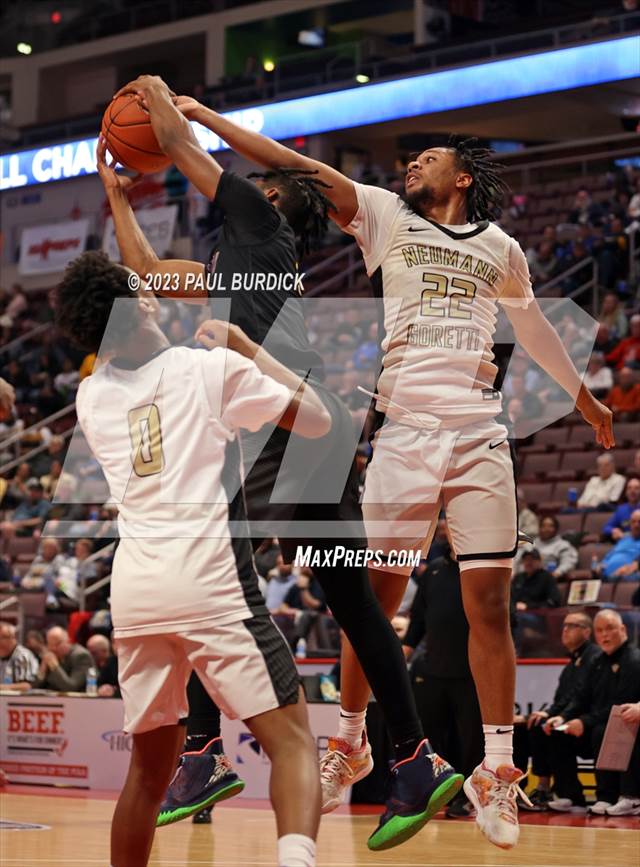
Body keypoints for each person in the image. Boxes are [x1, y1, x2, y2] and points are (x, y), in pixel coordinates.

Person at [167, 88, 615, 850]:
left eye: (427, 157)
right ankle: (351, 739)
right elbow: (295, 164)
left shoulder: (501, 246)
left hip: (479, 424)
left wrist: (583, 398)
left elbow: (534, 329)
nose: (412, 164)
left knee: (489, 603)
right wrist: (207, 122)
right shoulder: (384, 213)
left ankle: (496, 773)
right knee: (369, 600)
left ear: (463, 175)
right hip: (403, 427)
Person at [103, 75, 460, 851]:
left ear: (270, 199)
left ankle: (203, 753)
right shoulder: (241, 267)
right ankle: (413, 759)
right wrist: (119, 201)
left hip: (291, 424)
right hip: (296, 431)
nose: (243, 185)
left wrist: (163, 97)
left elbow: (175, 145)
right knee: (349, 602)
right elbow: (148, 277)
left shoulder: (261, 222)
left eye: (258, 181)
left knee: (210, 567)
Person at [55, 251, 330, 867]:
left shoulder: (89, 396)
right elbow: (316, 420)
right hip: (208, 579)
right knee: (291, 743)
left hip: (135, 593)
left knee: (149, 776)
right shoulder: (212, 368)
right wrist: (247, 347)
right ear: (145, 302)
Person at [402, 542, 482, 820]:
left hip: (471, 671)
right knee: (433, 737)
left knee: (471, 738)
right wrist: (406, 651)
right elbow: (418, 620)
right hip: (433, 668)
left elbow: (505, 622)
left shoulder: (482, 567)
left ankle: (466, 797)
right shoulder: (433, 571)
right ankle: (435, 792)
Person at [545, 610, 640, 814]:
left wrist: (584, 722)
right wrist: (563, 717)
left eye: (610, 629)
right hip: (596, 725)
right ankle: (571, 796)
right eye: (600, 631)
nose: (605, 635)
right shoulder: (598, 661)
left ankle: (616, 796)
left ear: (622, 629)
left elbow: (620, 703)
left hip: (621, 726)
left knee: (603, 729)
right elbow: (581, 695)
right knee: (557, 732)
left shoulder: (633, 660)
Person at [515, 611, 600, 811]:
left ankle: (559, 792)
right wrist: (541, 714)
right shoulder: (571, 664)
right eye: (563, 626)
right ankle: (517, 789)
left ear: (587, 632)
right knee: (524, 728)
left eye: (572, 626)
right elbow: (561, 700)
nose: (565, 630)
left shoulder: (594, 657)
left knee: (546, 730)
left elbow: (580, 697)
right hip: (570, 719)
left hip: (588, 723)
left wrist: (558, 716)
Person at [513, 516, 578, 580]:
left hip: (546, 580)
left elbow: (568, 563)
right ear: (539, 528)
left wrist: (557, 573)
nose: (546, 529)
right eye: (543, 526)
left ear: (556, 529)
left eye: (550, 526)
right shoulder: (530, 544)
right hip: (524, 580)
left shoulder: (563, 545)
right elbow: (517, 561)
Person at [33, 626, 93, 692]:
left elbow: (70, 688)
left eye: (57, 644)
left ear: (68, 641)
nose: (54, 648)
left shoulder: (81, 656)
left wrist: (55, 667)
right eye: (50, 644)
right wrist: (42, 669)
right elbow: (34, 688)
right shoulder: (49, 656)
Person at [595, 509, 640, 581]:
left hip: (625, 575)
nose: (636, 525)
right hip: (605, 576)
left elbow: (636, 564)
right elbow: (607, 558)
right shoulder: (623, 539)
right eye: (633, 522)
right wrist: (600, 566)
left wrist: (629, 568)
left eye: (639, 522)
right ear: (630, 524)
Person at [0, 621, 39, 691]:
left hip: (19, 700)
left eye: (3, 637)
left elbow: (26, 686)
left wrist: (2, 687)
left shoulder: (23, 655)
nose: (1, 642)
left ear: (13, 638)